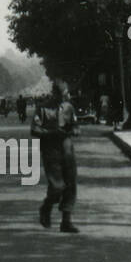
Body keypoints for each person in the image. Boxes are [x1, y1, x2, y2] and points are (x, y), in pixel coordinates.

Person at [31, 78, 80, 232]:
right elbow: (34, 130)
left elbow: (75, 126)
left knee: (70, 184)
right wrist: (52, 133)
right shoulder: (42, 109)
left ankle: (66, 221)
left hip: (67, 149)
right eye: (60, 95)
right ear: (53, 93)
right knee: (57, 186)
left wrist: (75, 131)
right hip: (50, 151)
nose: (63, 98)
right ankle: (46, 207)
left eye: (65, 95)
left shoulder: (68, 108)